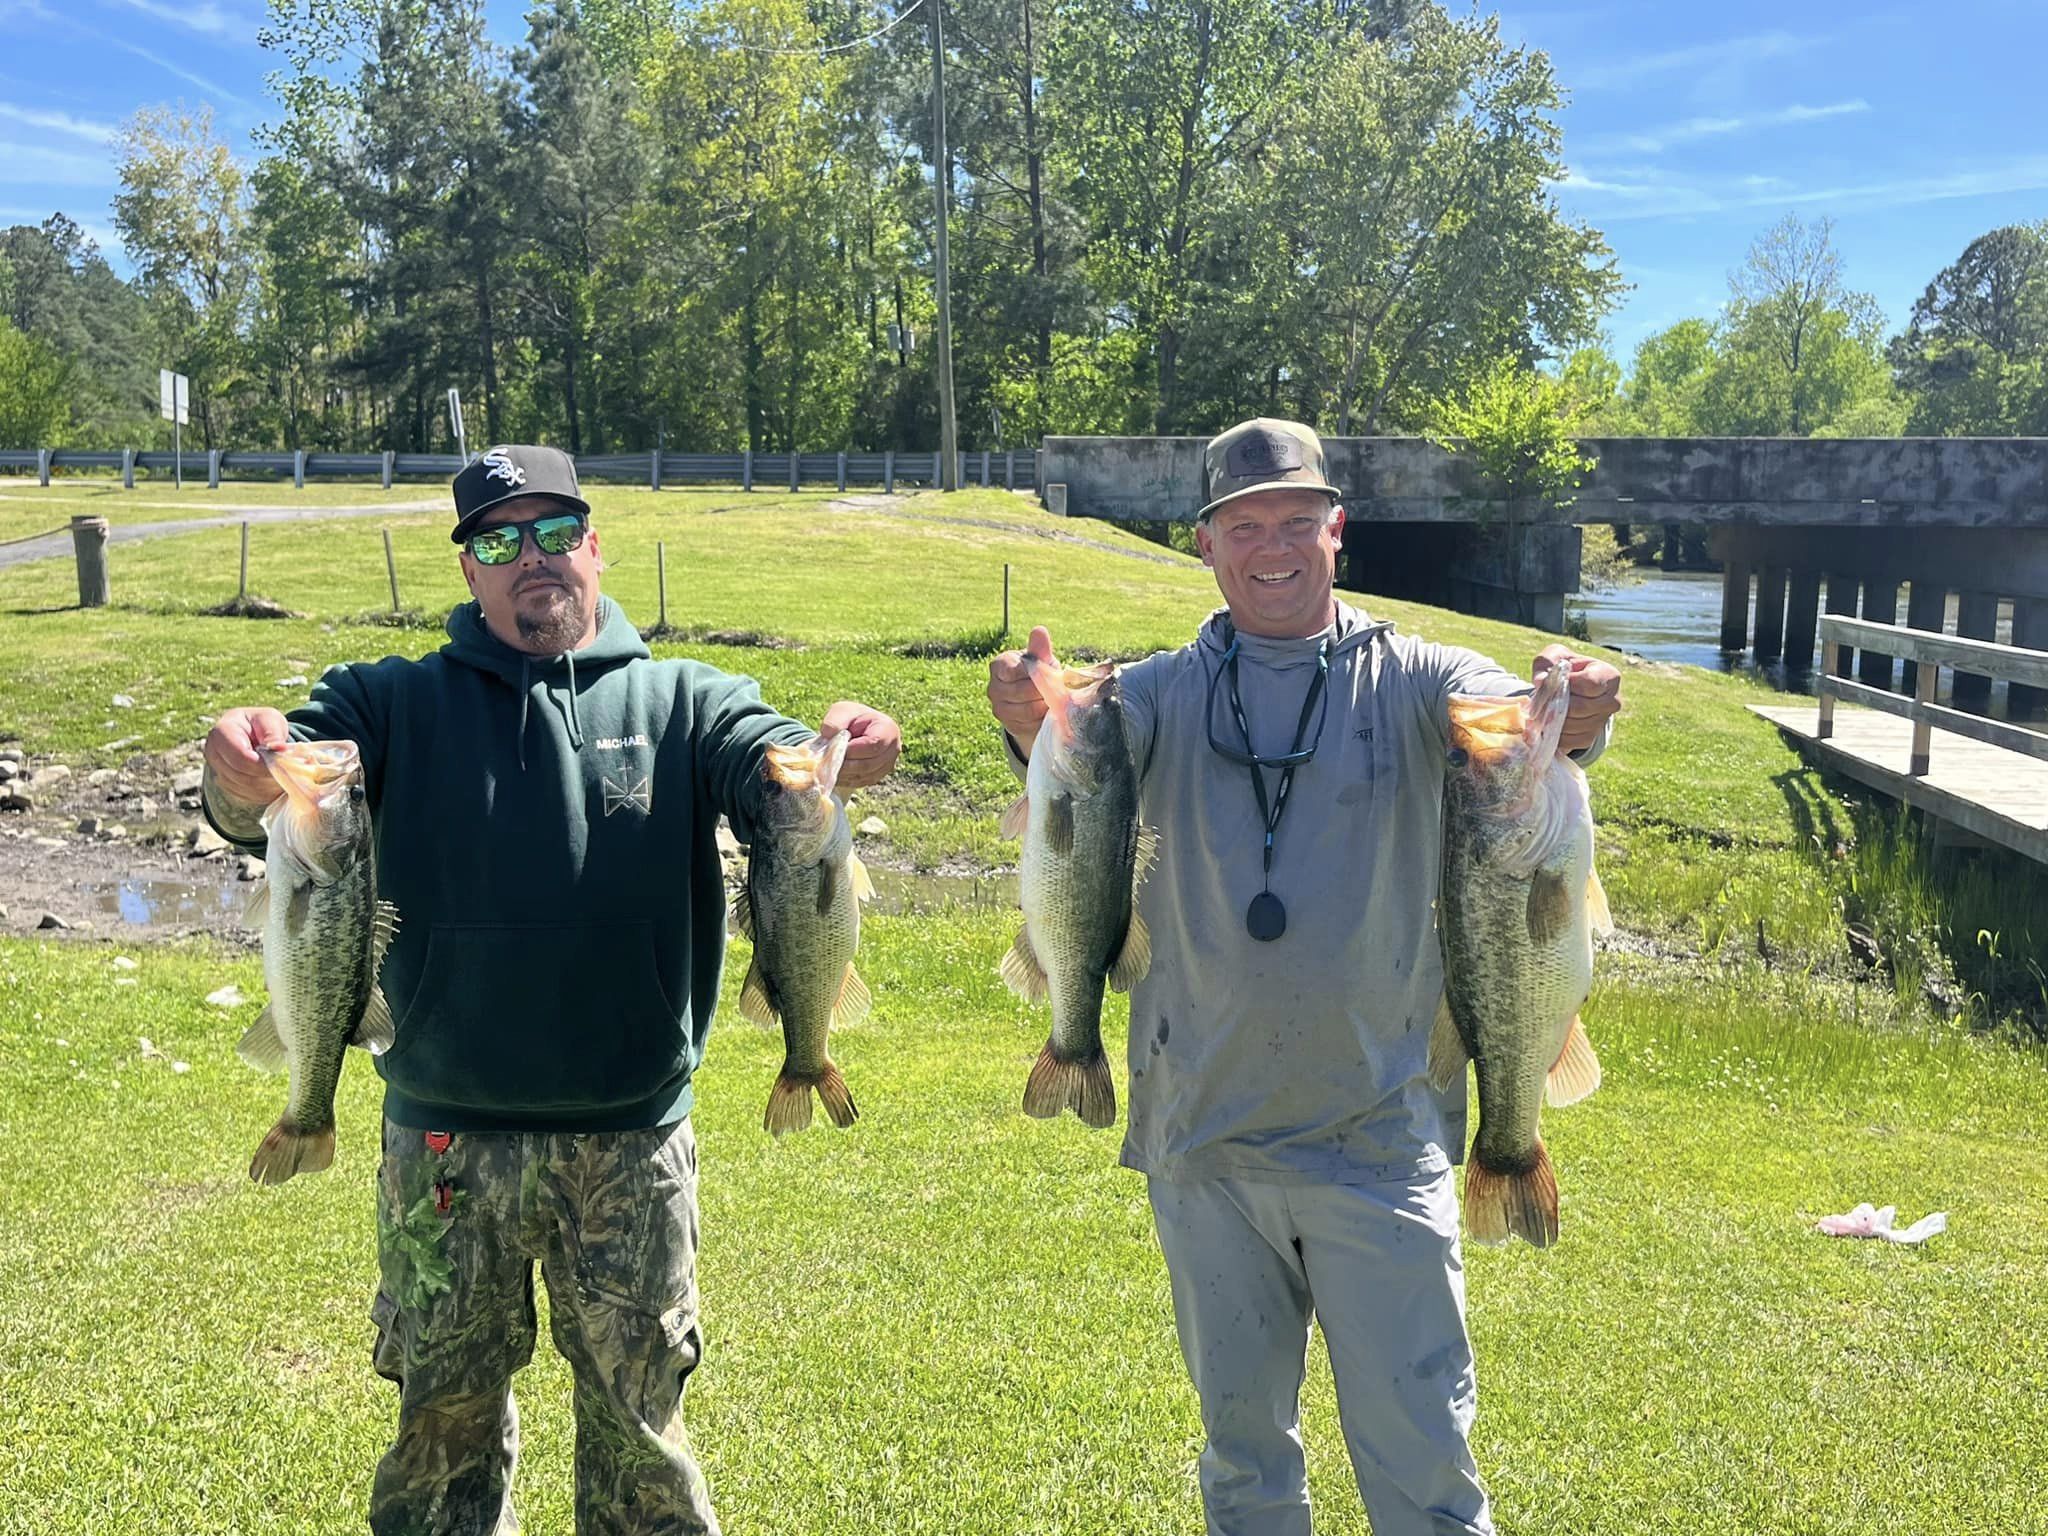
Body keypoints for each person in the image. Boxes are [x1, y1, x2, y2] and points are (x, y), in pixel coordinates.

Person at [202, 444, 902, 1536]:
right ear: (470, 570)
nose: (530, 558)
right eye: (496, 539)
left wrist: (845, 748)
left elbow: (773, 760)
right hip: (442, 1146)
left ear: (594, 545)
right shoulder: (388, 701)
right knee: (442, 1429)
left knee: (640, 1434)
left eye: (553, 532)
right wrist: (239, 770)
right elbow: (282, 778)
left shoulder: (686, 698)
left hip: (630, 1143)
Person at [985, 418, 1622, 1536]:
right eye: (1241, 525)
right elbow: (1071, 788)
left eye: (1292, 521)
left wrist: (1570, 706)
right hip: (1200, 1141)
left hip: (1380, 1141)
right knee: (1242, 1463)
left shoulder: (1421, 674)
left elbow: (1517, 721)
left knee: (1424, 1466)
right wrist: (1020, 718)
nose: (1268, 545)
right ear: (1204, 545)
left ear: (1336, 531)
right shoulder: (1162, 691)